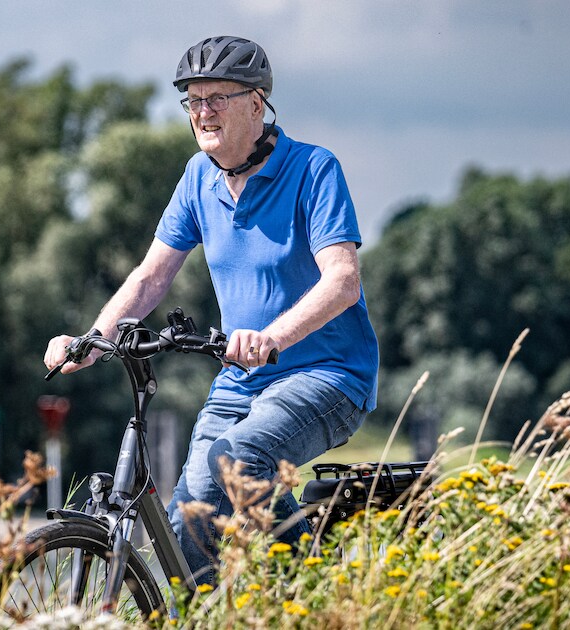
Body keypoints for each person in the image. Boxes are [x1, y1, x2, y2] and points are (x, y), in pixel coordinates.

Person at [42, 35, 379, 584]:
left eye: (217, 97)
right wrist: (91, 339)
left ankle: (318, 593)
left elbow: (342, 282)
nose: (203, 112)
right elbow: (151, 276)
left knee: (239, 457)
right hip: (240, 380)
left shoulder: (314, 170)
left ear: (257, 102)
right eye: (193, 101)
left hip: (328, 375)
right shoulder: (199, 178)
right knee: (190, 516)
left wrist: (272, 336)